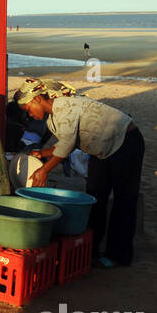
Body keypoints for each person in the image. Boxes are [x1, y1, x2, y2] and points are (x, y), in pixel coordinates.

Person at [16, 79, 145, 268]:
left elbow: (67, 145)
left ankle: (119, 256)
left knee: (124, 200)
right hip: (102, 150)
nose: (30, 115)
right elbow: (68, 142)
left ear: (36, 99)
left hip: (125, 142)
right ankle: (91, 251)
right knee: (95, 197)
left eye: (28, 109)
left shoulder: (64, 106)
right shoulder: (52, 120)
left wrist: (44, 170)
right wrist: (42, 154)